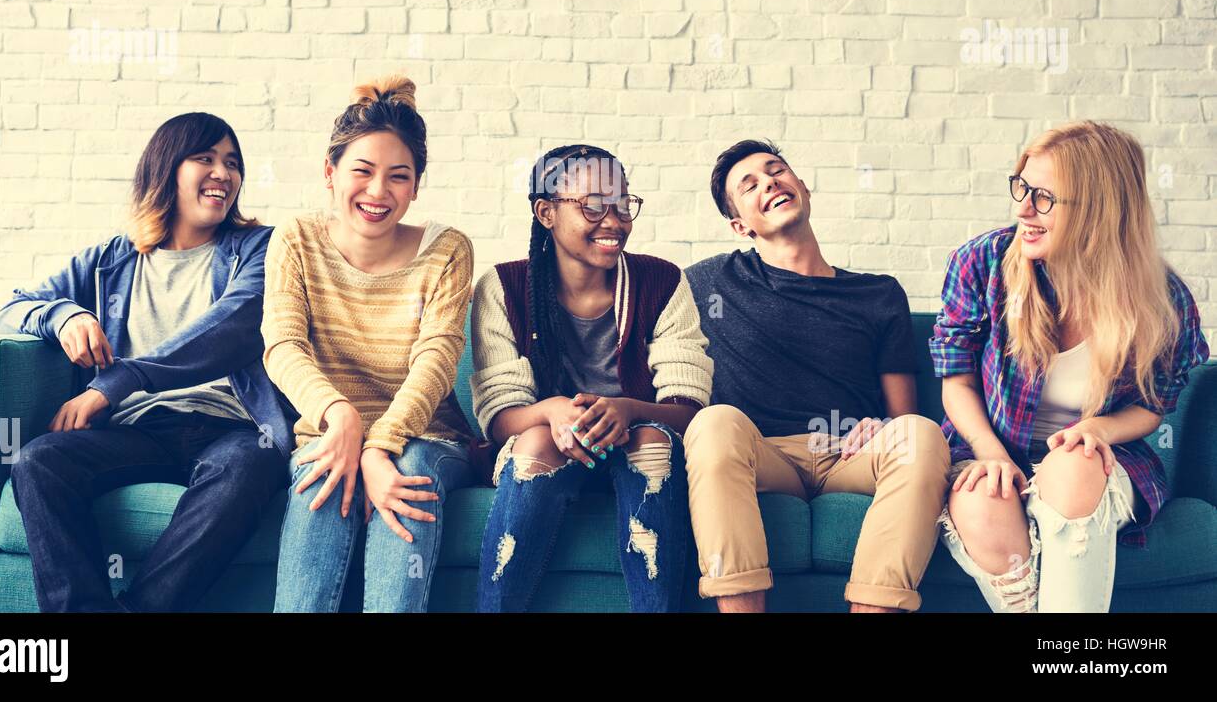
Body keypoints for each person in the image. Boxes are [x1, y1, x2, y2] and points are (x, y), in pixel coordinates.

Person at [0, 112, 294, 612]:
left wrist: (117, 380)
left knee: (250, 466)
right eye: (205, 159)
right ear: (165, 168)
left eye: (232, 163)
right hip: (138, 430)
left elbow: (231, 327)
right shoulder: (111, 260)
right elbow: (12, 306)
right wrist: (64, 315)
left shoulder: (260, 248)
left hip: (232, 426)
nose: (223, 173)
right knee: (38, 462)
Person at [933, 120, 1209, 612]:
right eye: (1022, 186)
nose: (1023, 208)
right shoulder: (982, 263)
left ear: (1100, 211)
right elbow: (956, 383)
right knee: (980, 498)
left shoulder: (1162, 299)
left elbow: (1152, 408)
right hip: (990, 447)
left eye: (1044, 197)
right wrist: (989, 452)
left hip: (1098, 465)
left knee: (1075, 463)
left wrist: (1097, 429)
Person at [683, 139, 951, 612]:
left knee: (921, 435)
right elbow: (628, 307)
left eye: (777, 170)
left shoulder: (879, 294)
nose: (769, 182)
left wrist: (886, 429)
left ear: (802, 186)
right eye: (750, 185)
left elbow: (902, 414)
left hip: (850, 455)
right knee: (712, 422)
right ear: (739, 224)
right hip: (762, 455)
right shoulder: (709, 283)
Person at [263, 76, 476, 613]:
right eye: (362, 171)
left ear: (416, 186)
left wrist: (379, 446)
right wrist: (342, 419)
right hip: (329, 432)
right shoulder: (296, 238)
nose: (378, 192)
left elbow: (436, 364)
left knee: (409, 479)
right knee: (324, 475)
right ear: (331, 174)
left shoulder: (447, 250)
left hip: (425, 435)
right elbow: (283, 345)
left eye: (398, 177)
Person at [471, 144, 713, 612]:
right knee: (536, 441)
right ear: (546, 212)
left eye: (624, 204)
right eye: (593, 205)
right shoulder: (503, 287)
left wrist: (628, 410)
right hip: (550, 450)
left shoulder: (662, 282)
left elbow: (689, 409)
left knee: (650, 441)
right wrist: (551, 410)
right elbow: (499, 419)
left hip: (641, 450)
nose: (614, 219)